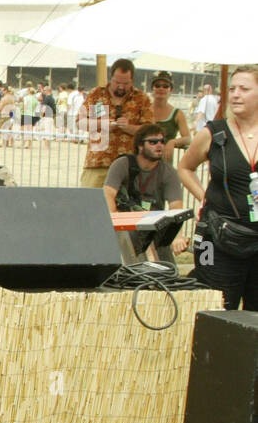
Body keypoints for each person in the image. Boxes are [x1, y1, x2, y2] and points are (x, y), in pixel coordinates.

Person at [178, 65, 258, 310]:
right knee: (214, 306)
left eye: (244, 89)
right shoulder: (213, 132)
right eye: (232, 89)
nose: (235, 94)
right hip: (214, 238)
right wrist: (203, 196)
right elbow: (184, 168)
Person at [103, 124, 188, 262]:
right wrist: (116, 222)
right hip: (125, 223)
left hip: (154, 225)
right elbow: (108, 195)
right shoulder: (122, 164)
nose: (159, 145)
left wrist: (177, 236)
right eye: (153, 142)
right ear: (140, 146)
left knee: (166, 269)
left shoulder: (169, 172)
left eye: (162, 141)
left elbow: (176, 207)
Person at [76, 58, 152, 187]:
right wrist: (103, 125)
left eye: (126, 83)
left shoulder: (141, 98)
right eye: (117, 82)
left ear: (132, 80)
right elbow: (80, 122)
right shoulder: (96, 94)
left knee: (125, 206)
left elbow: (150, 131)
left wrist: (129, 128)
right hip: (97, 164)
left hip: (129, 166)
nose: (121, 86)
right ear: (111, 78)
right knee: (91, 204)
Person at [147, 70, 191, 159]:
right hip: (143, 162)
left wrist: (173, 142)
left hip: (164, 164)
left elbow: (188, 138)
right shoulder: (144, 110)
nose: (161, 89)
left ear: (170, 90)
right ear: (152, 89)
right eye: (157, 85)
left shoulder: (178, 114)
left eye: (165, 86)